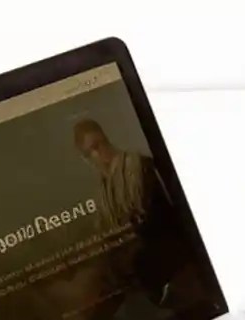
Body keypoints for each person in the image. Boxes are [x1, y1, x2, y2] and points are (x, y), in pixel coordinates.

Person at [72, 119, 187, 308]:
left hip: (158, 242)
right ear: (86, 158)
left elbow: (146, 212)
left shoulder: (135, 164)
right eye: (91, 150)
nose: (99, 152)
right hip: (130, 252)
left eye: (100, 144)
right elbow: (105, 227)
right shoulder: (102, 190)